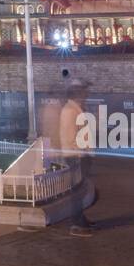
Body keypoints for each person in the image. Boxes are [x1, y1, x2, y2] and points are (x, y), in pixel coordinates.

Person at [51, 79, 95, 236]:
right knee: (76, 191)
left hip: (80, 155)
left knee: (80, 190)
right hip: (76, 156)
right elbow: (71, 137)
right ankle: (76, 224)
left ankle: (80, 219)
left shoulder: (76, 108)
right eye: (84, 91)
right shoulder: (70, 111)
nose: (87, 94)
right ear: (77, 93)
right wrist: (82, 153)